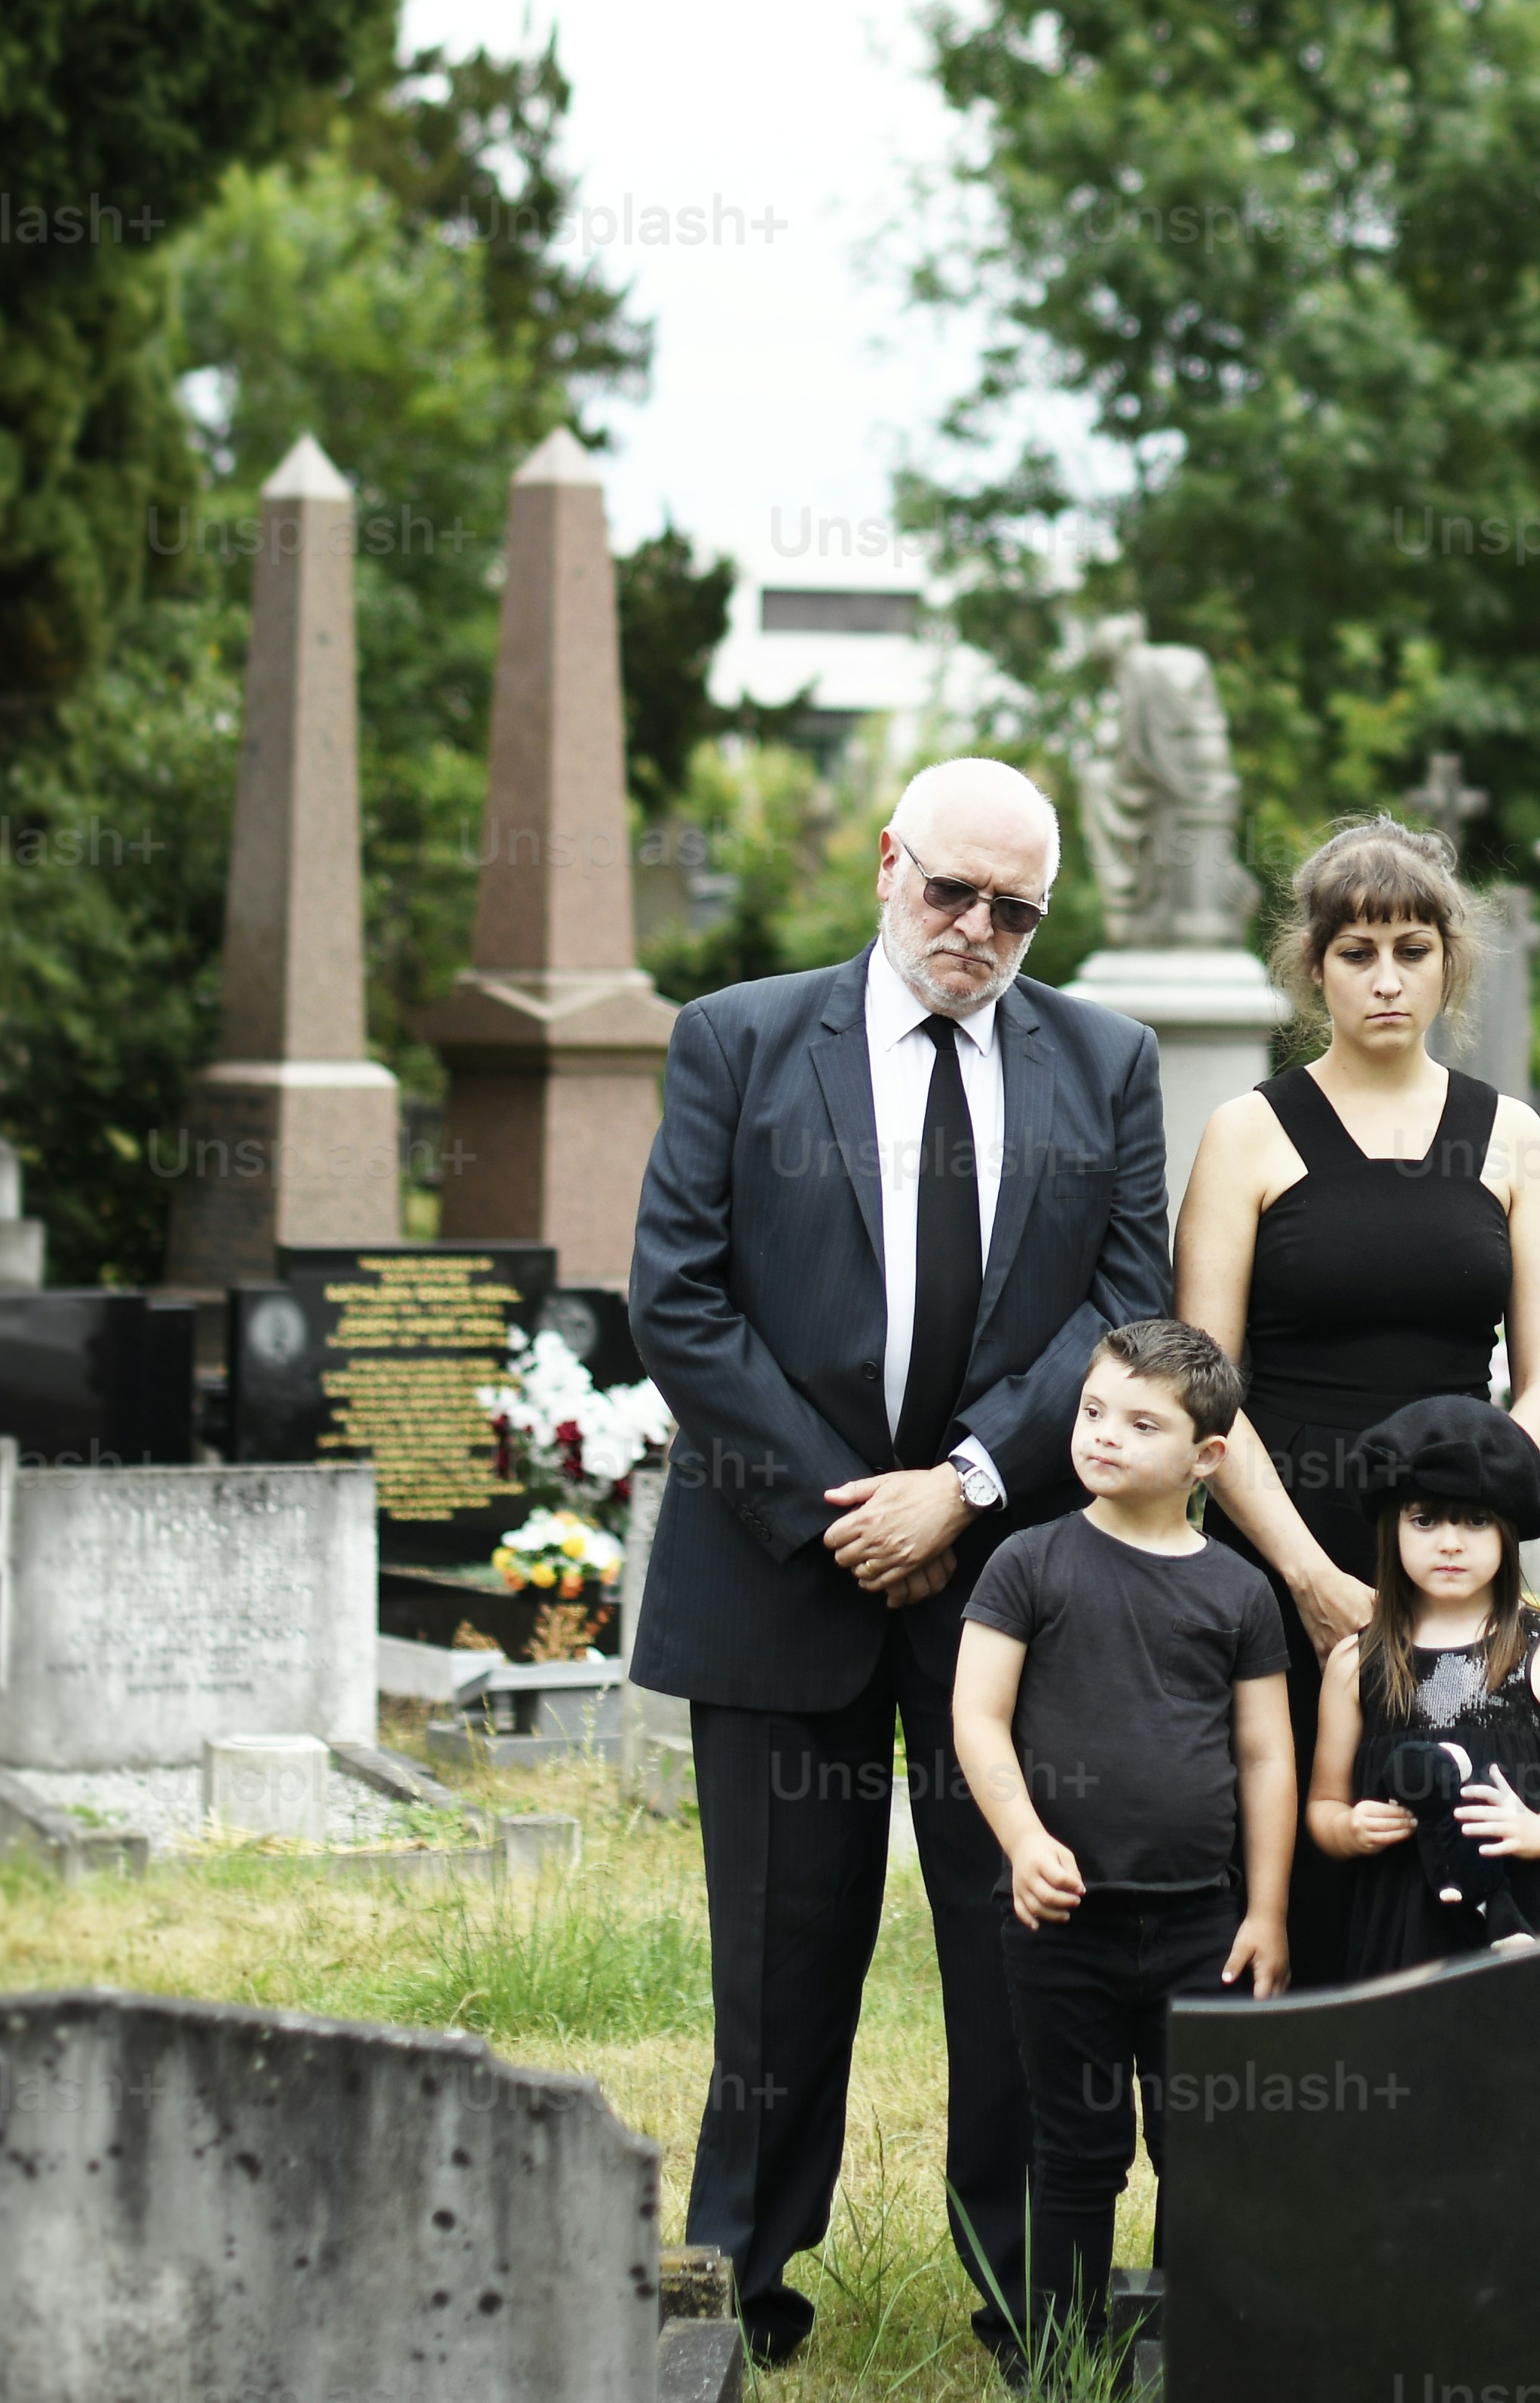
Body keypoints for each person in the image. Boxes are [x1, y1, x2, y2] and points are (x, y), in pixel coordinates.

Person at [627, 758, 1170, 2375]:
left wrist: (962, 1487)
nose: (980, 930)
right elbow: (682, 1298)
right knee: (780, 1965)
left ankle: (1029, 2295)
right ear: (887, 865)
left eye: (1017, 909)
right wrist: (842, 1509)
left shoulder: (1105, 1059)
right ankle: (743, 2290)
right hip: (779, 1572)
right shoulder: (735, 1038)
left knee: (1020, 1949)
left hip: (1010, 1586)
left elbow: (1119, 1306)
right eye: (953, 892)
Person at [1174, 816, 1540, 1968]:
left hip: (1453, 1558)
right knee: (1291, 1847)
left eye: (1412, 948)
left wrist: (1483, 1513)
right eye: (1358, 953)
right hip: (1279, 1539)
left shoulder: (1511, 1137)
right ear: (1314, 967)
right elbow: (1207, 1381)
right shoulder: (1247, 1135)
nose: (1387, 978)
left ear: (1452, 960)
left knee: (1441, 1849)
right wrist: (1307, 1574)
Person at [951, 1318, 1296, 2379]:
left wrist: (1268, 1910)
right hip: (1066, 1926)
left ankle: (1200, 2355)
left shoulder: (1237, 1591)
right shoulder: (1029, 1562)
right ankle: (1061, 2360)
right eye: (1094, 1411)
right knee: (1075, 2152)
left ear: (1206, 1458)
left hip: (1202, 1925)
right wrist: (1022, 1839)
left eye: (1141, 1424)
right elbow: (976, 1716)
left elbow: (1266, 1755)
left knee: (1200, 2152)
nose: (1102, 1435)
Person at [1304, 1393, 1540, 1964]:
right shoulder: (1355, 1663)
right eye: (1425, 1519)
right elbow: (1323, 1805)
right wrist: (1350, 1827)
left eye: (1476, 1521)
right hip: (1398, 1937)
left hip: (1524, 1933)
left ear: (1508, 1533)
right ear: (1393, 1528)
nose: (1450, 1542)